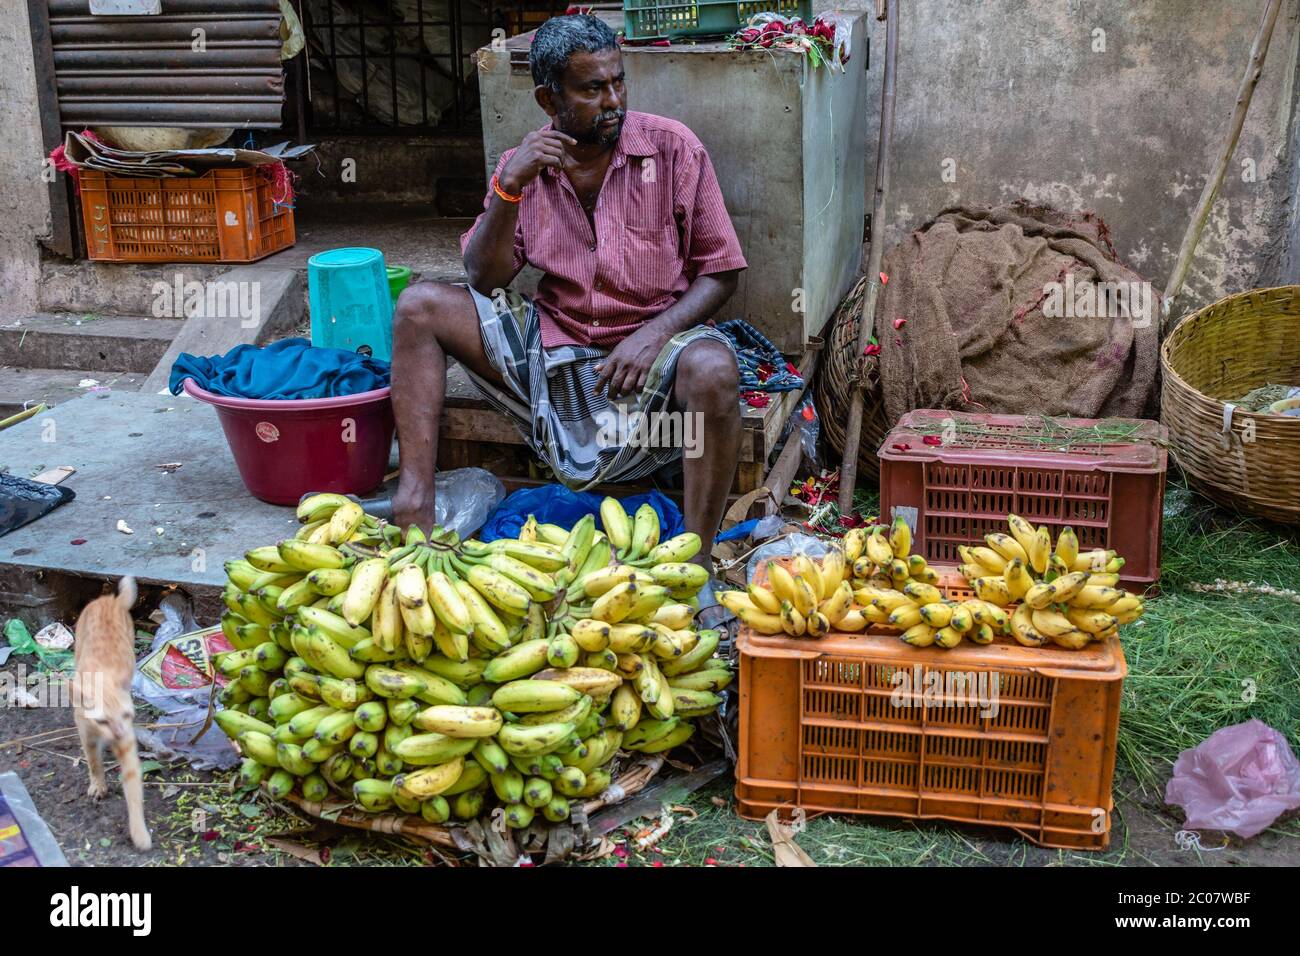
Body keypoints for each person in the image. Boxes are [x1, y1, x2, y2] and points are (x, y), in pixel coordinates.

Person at [390, 13, 747, 571]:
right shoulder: (523, 168)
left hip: (648, 358)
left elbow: (721, 270)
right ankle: (415, 500)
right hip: (552, 351)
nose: (613, 101)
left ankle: (695, 560)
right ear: (548, 99)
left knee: (715, 368)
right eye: (592, 89)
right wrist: (509, 189)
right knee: (418, 306)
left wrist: (655, 335)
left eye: (618, 82)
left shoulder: (673, 150)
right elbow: (484, 279)